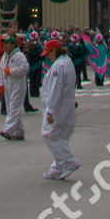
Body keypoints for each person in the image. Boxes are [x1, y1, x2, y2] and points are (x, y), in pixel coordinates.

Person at [41, 36, 79, 180]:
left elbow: (55, 90)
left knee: (49, 134)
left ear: (53, 51)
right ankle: (58, 167)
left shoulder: (59, 66)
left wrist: (50, 110)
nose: (48, 57)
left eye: (49, 54)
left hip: (58, 108)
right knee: (61, 137)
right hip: (66, 106)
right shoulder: (66, 62)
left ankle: (69, 161)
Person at [0, 34, 28, 142]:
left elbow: (24, 68)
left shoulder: (19, 56)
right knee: (11, 109)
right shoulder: (4, 57)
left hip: (18, 85)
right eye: (3, 43)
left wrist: (11, 72)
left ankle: (7, 130)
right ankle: (19, 132)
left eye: (7, 43)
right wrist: (0, 84)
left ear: (13, 45)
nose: (4, 46)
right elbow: (0, 72)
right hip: (7, 86)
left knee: (14, 107)